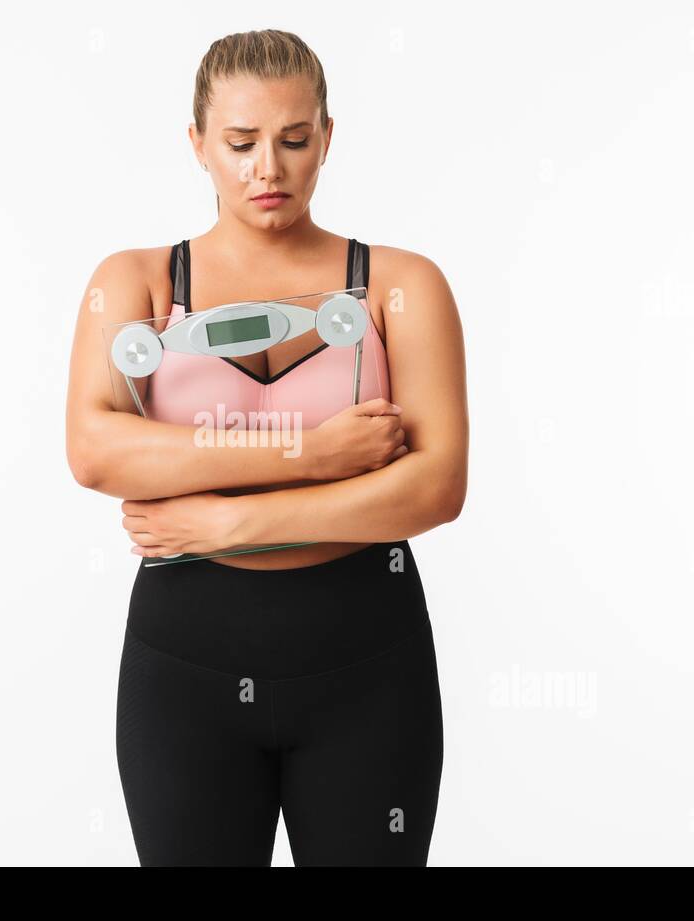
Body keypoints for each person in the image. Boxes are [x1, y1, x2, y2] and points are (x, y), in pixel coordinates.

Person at [66, 29, 468, 865]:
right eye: (241, 144)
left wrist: (223, 527)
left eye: (293, 141)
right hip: (185, 669)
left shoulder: (402, 284)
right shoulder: (134, 283)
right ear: (198, 145)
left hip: (368, 661)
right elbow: (97, 452)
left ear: (326, 136)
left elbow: (434, 489)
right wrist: (314, 457)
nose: (268, 170)